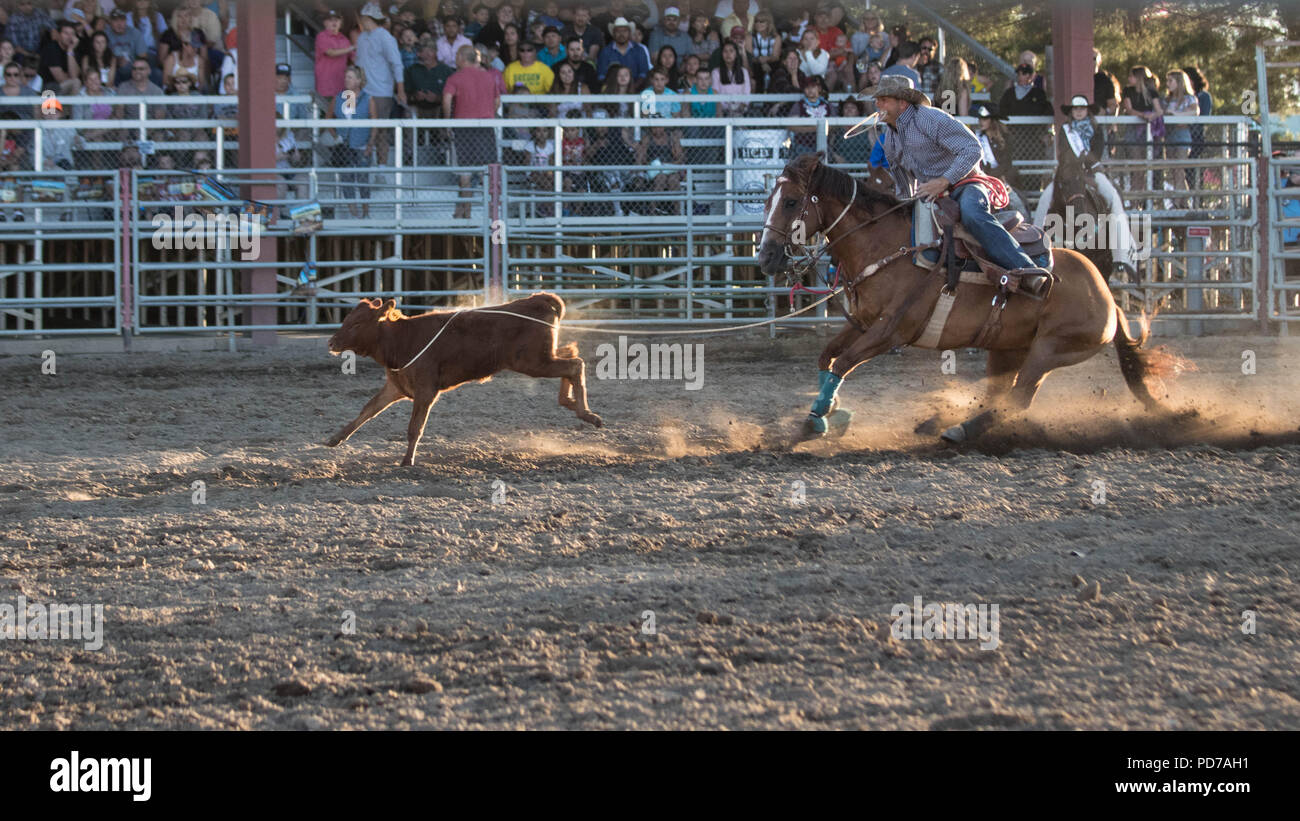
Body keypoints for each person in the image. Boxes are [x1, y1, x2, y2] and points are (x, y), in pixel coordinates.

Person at [859, 75, 1049, 277]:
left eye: (884, 99)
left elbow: (973, 149)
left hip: (966, 183)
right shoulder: (890, 137)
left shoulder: (929, 118)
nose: (877, 104)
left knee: (972, 213)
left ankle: (1028, 269)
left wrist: (944, 181)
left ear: (903, 103)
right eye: (877, 100)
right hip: (930, 196)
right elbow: (902, 182)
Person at [1032, 94, 1136, 277]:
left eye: (1082, 108)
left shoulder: (1097, 129)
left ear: (1087, 110)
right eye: (1075, 109)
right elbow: (1064, 153)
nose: (1079, 112)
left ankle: (1122, 255)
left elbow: (1097, 152)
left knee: (1112, 196)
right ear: (1071, 112)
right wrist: (1076, 164)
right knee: (1045, 197)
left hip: (1091, 173)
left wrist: (1087, 164)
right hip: (1069, 172)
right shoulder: (1065, 130)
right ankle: (1035, 249)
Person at [443, 43, 502, 218]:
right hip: (485, 128)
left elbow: (446, 100)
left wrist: (447, 122)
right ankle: (493, 214)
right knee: (490, 171)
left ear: (461, 59)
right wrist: (489, 112)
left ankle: (466, 214)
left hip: (464, 129)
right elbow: (497, 101)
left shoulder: (455, 78)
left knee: (465, 173)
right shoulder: (489, 77)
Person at [355, 2, 406, 167]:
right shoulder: (362, 37)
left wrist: (400, 90)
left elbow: (396, 64)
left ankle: (382, 167)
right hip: (361, 91)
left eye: (364, 18)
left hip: (381, 91)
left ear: (370, 18)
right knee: (360, 128)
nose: (361, 20)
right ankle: (363, 164)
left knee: (380, 130)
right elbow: (358, 64)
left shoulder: (385, 37)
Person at [331, 64, 374, 218]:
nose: (346, 80)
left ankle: (366, 213)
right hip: (345, 146)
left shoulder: (368, 98)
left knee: (363, 180)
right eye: (346, 77)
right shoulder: (340, 97)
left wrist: (370, 144)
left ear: (358, 80)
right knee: (347, 179)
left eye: (350, 77)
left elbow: (375, 123)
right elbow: (329, 119)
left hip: (362, 145)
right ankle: (354, 213)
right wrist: (336, 136)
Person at [1121, 66, 1163, 196]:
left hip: (1148, 133)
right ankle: (1134, 200)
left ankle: (1142, 199)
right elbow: (1129, 109)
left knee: (1144, 167)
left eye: (1132, 76)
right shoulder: (1128, 91)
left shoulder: (1151, 92)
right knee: (1137, 166)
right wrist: (1142, 115)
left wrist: (1152, 116)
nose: (1129, 79)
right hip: (1133, 131)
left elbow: (1159, 110)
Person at [1163, 68, 1198, 193]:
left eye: (1171, 81)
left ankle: (1178, 201)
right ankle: (1184, 201)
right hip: (1169, 136)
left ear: (1179, 82)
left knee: (1179, 168)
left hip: (1182, 135)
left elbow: (1194, 112)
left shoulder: (1189, 99)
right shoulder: (1167, 100)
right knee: (1174, 170)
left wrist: (1176, 114)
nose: (1168, 84)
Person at [315, 9, 355, 117]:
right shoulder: (321, 36)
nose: (334, 22)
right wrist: (351, 48)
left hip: (343, 86)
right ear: (325, 23)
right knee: (327, 117)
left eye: (337, 20)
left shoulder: (345, 39)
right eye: (330, 20)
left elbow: (355, 59)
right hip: (326, 87)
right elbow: (330, 53)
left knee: (345, 116)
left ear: (341, 23)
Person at [406, 39, 453, 117]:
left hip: (439, 108)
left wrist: (437, 98)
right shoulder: (412, 70)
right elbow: (405, 94)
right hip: (417, 108)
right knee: (408, 113)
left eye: (429, 52)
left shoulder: (446, 71)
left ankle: (445, 129)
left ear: (435, 53)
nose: (425, 55)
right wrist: (415, 96)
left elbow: (453, 97)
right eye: (422, 52)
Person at [597, 16, 649, 83]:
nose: (621, 34)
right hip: (612, 91)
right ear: (613, 33)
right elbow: (601, 76)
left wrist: (633, 89)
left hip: (636, 91)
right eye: (618, 31)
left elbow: (644, 74)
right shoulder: (605, 52)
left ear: (629, 33)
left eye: (624, 31)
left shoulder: (639, 50)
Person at [710, 39, 749, 115]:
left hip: (741, 110)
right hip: (723, 110)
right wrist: (728, 109)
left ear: (736, 54)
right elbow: (715, 93)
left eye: (731, 51)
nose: (728, 54)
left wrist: (740, 108)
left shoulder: (744, 71)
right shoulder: (716, 72)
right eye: (725, 51)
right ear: (722, 54)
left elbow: (747, 93)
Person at [749, 10, 780, 91]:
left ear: (769, 23)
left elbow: (776, 57)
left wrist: (765, 60)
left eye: (761, 21)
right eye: (756, 21)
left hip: (771, 66)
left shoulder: (776, 37)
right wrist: (761, 61)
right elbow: (749, 56)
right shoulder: (749, 36)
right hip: (755, 66)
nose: (758, 24)